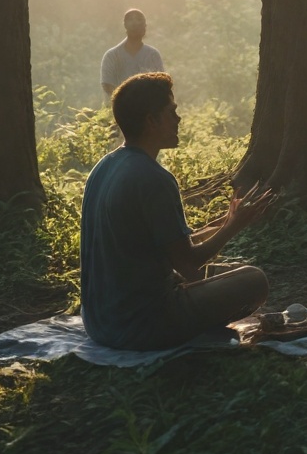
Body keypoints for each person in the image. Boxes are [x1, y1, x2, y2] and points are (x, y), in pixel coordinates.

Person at [80, 73, 274, 350]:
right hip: (140, 325)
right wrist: (234, 226)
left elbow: (170, 245)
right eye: (172, 112)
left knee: (227, 271)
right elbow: (187, 263)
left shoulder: (104, 167)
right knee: (253, 280)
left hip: (99, 321)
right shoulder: (153, 178)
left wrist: (224, 221)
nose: (178, 119)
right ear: (151, 120)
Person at [100, 9, 164, 101]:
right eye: (131, 20)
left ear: (145, 27)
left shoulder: (152, 55)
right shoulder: (112, 55)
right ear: (125, 25)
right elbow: (107, 85)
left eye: (139, 20)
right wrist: (124, 101)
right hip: (119, 109)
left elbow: (161, 84)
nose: (135, 24)